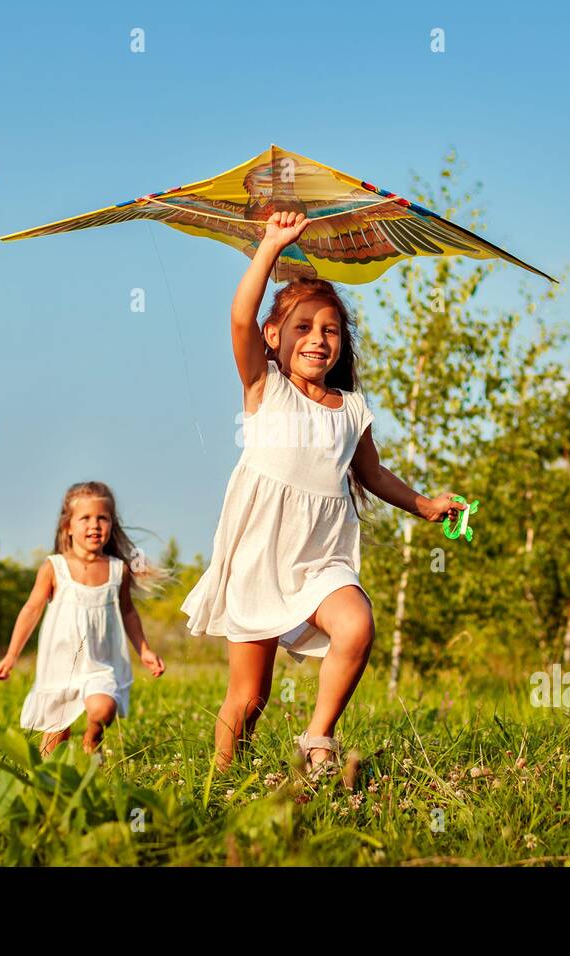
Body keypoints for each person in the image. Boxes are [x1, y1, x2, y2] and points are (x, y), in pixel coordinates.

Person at [181, 211, 468, 779]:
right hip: (260, 554)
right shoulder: (266, 386)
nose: (317, 339)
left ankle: (318, 737)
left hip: (321, 557)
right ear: (274, 337)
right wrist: (271, 245)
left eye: (330, 329)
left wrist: (428, 505)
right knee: (250, 694)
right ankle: (218, 783)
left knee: (357, 625)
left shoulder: (352, 408)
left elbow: (374, 475)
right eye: (303, 327)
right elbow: (240, 316)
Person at [0, 481, 167, 757]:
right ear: (68, 526)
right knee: (55, 739)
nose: (94, 525)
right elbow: (31, 610)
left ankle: (92, 742)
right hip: (60, 665)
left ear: (112, 525)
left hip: (101, 663)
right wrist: (12, 655)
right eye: (85, 518)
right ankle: (49, 789)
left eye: (102, 518)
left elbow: (129, 612)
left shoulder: (117, 570)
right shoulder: (55, 567)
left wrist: (144, 649)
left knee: (103, 709)